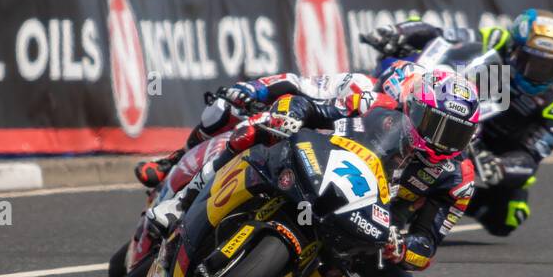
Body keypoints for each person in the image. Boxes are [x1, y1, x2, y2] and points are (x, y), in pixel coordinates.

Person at [146, 71, 480, 277]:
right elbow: (312, 107)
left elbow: (428, 244)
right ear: (415, 109)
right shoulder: (375, 106)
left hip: (372, 231)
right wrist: (288, 115)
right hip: (321, 170)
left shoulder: (458, 179)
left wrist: (402, 248)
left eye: (455, 134)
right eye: (436, 125)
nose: (442, 140)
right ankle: (186, 199)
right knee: (252, 132)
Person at [366, 9, 553, 236]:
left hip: (496, 149)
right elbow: (441, 35)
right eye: (531, 62)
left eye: (548, 67)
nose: (538, 74)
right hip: (462, 117)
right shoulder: (497, 40)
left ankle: (449, 199)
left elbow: (532, 155)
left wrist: (499, 166)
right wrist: (398, 33)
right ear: (514, 50)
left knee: (508, 217)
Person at [133, 72, 376, 189]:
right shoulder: (356, 85)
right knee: (222, 109)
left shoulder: (387, 134)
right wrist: (252, 89)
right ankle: (174, 161)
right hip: (283, 127)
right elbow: (295, 83)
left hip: (319, 169)